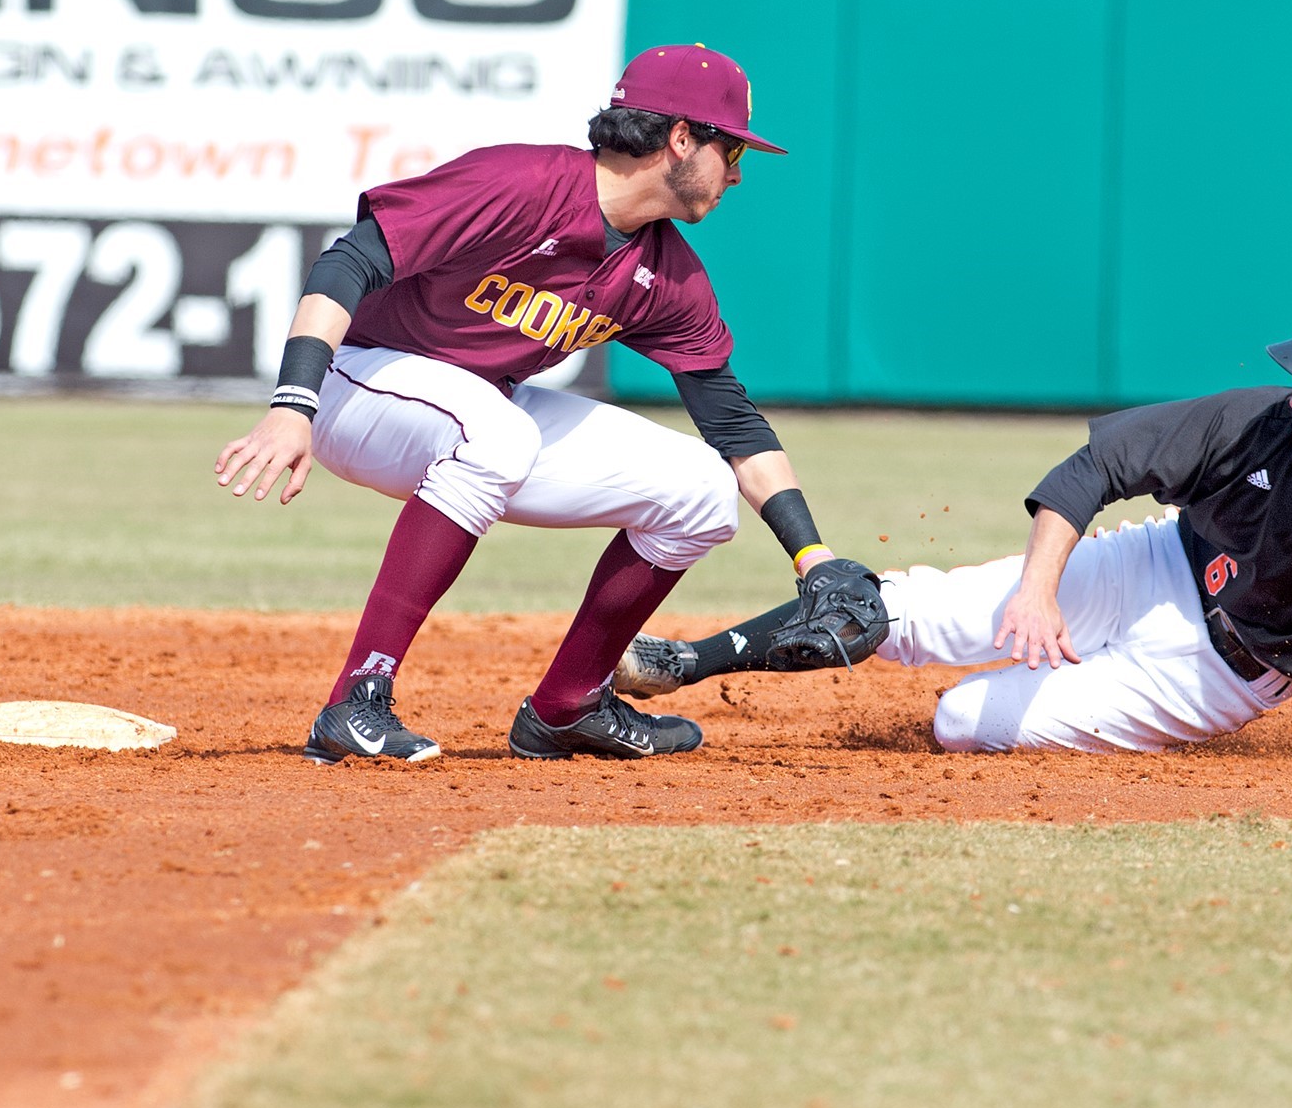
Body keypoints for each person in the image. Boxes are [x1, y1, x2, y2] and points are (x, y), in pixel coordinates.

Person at [614, 286, 1292, 776]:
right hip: (1158, 560)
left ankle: (999, 695)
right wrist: (1039, 593)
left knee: (965, 719)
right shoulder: (1255, 421)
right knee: (903, 607)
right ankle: (683, 662)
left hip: (1224, 676)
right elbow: (1091, 467)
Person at [215, 45, 879, 764]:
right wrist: (294, 402)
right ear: (681, 139)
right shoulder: (522, 183)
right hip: (357, 381)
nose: (739, 173)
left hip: (475, 409)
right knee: (495, 435)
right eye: (732, 150)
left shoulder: (667, 274)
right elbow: (351, 260)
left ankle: (567, 707)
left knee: (702, 493)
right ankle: (356, 698)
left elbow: (730, 421)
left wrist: (813, 556)